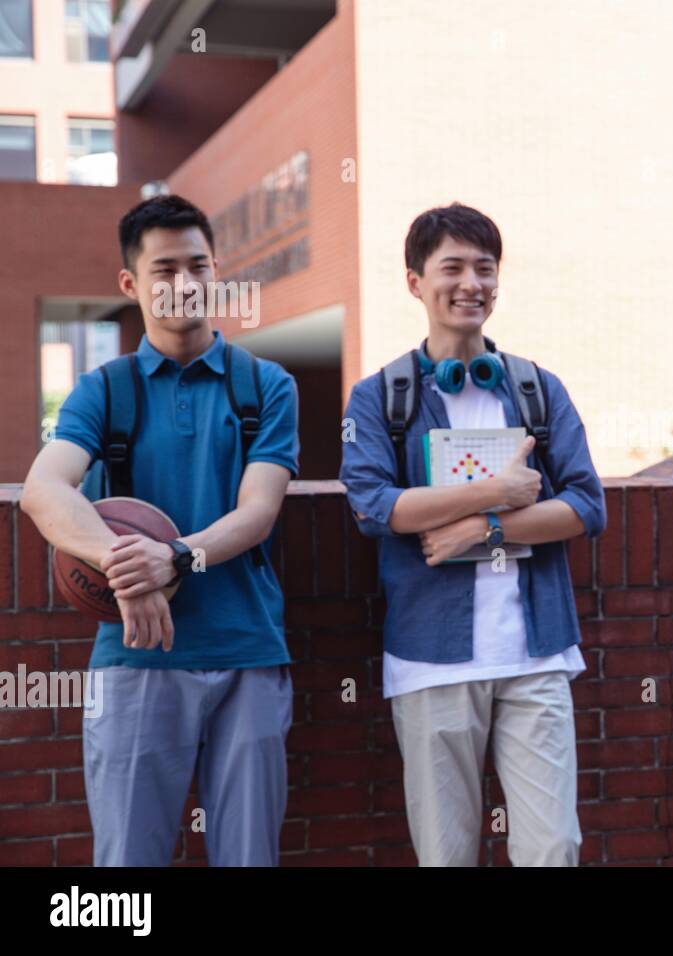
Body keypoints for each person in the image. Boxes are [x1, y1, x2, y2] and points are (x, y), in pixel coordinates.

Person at [21, 195, 300, 866]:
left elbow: (257, 514)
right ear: (131, 284)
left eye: (198, 266)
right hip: (136, 656)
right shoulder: (104, 390)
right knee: (126, 871)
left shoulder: (266, 386)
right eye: (164, 269)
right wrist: (129, 565)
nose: (184, 284)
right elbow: (42, 490)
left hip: (247, 652)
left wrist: (176, 559)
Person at [339, 203, 605, 866]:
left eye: (484, 269)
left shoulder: (537, 388)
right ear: (414, 282)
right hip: (431, 659)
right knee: (446, 853)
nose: (470, 283)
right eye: (451, 267)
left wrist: (481, 528)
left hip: (536, 657)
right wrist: (496, 492)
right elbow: (374, 507)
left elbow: (586, 506)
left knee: (553, 849)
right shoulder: (382, 398)